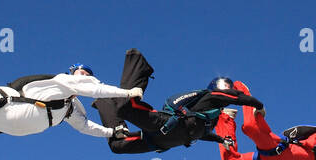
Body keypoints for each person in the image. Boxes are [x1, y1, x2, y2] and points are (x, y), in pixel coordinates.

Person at [92, 50, 244, 153]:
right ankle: (139, 64)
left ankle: (104, 103)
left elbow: (201, 134)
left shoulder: (212, 120)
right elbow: (177, 100)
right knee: (125, 107)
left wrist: (221, 140)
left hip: (160, 141)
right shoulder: (205, 98)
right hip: (164, 125)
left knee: (117, 146)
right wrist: (171, 111)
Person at [0, 63, 141, 139]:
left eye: (87, 74)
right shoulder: (62, 82)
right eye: (81, 73)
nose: (85, 77)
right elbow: (96, 90)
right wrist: (127, 92)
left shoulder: (70, 108)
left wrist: (111, 132)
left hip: (4, 125)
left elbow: (84, 127)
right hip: (1, 105)